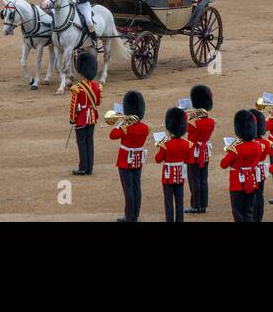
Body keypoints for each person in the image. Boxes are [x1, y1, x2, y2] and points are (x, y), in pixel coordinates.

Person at [110, 90, 148, 222]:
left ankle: (129, 216)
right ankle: (135, 215)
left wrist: (121, 122)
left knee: (128, 189)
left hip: (125, 160)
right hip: (138, 160)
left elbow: (112, 135)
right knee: (137, 187)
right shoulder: (145, 127)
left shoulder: (125, 128)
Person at [155, 107, 192, 223]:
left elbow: (158, 159)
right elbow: (188, 159)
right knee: (180, 201)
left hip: (167, 177)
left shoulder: (165, 144)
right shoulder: (187, 144)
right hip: (180, 176)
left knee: (169, 202)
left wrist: (160, 147)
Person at [69, 50, 101, 176]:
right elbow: (97, 103)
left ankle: (83, 168)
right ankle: (89, 168)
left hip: (81, 119)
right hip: (92, 118)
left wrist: (72, 119)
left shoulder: (77, 88)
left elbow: (73, 106)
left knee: (82, 144)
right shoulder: (97, 87)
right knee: (90, 143)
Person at [186, 84, 215, 214]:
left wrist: (190, 116)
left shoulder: (192, 122)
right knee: (203, 179)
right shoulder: (211, 122)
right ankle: (203, 205)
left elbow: (183, 129)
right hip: (205, 153)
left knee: (194, 180)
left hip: (193, 153)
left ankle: (196, 205)